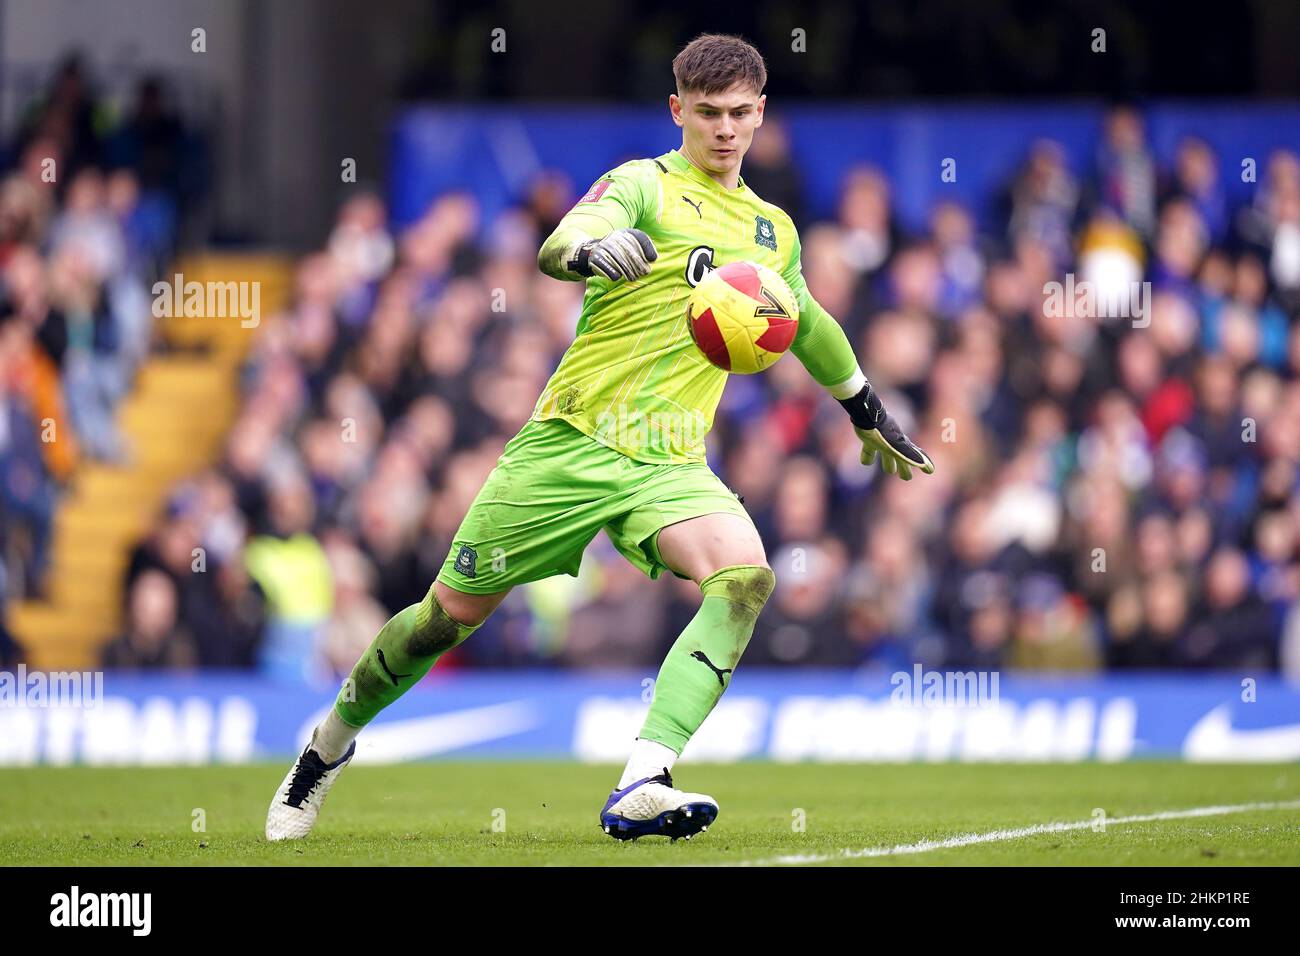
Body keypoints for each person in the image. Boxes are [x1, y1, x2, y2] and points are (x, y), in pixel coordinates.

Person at [266, 33, 934, 843]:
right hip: (568, 444)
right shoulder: (641, 185)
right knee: (445, 618)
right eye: (707, 113)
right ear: (677, 110)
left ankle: (643, 778)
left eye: (739, 114)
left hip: (669, 460)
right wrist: (588, 249)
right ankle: (327, 744)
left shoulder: (772, 232)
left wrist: (865, 407)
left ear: (761, 114)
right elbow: (560, 242)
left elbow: (809, 320)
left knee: (745, 576)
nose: (724, 129)